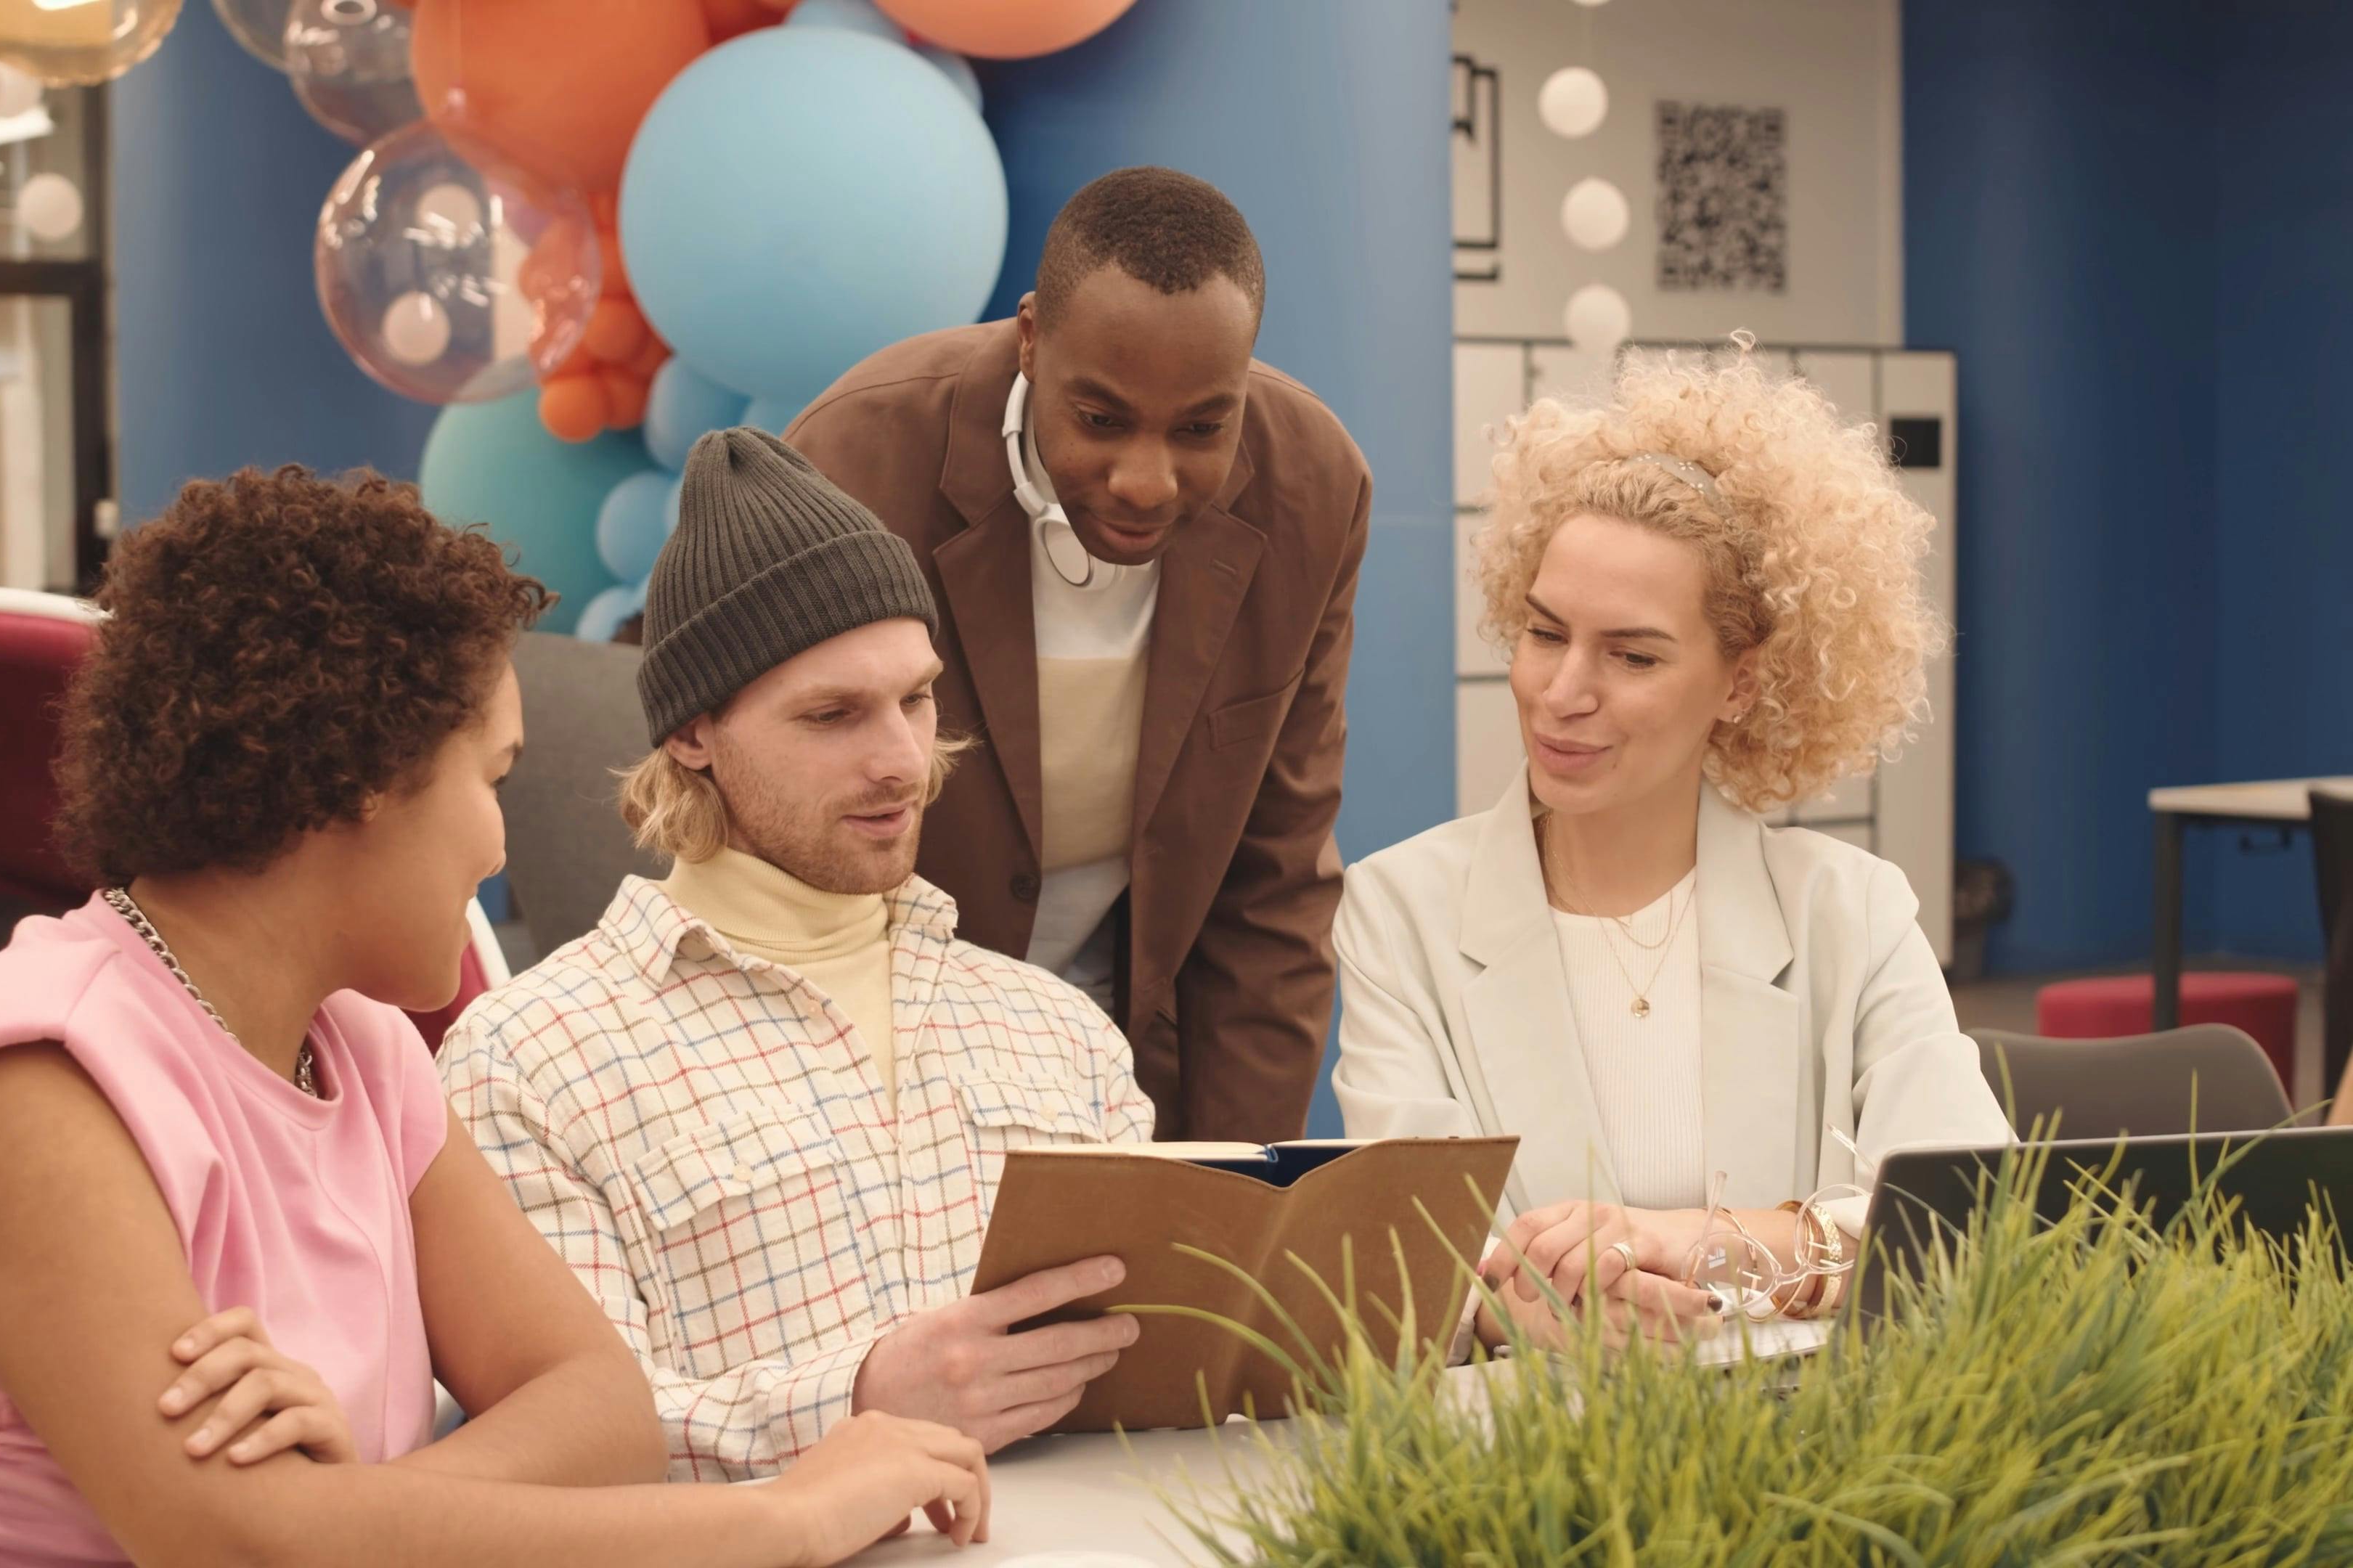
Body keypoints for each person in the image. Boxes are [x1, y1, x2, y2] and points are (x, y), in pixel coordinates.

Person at [0, 468, 995, 1566]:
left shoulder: (361, 1049)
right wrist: (782, 1516)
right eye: (492, 779)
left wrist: (354, 1512)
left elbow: (602, 1411)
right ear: (363, 774)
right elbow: (238, 1548)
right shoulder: (28, 1079)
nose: (502, 841)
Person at [441, 429, 1154, 1482]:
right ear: (692, 733)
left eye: (915, 698)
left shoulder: (1058, 1032)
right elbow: (560, 1452)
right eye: (833, 715)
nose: (903, 761)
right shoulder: (528, 1064)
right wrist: (855, 1405)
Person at [1329, 346, 2013, 1355]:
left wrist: (1699, 1247)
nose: (1563, 692)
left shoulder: (1853, 914)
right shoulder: (1400, 912)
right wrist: (1513, 1309)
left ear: (1742, 683)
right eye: (1544, 633)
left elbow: (1966, 1219)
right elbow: (1411, 1250)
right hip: (1526, 1461)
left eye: (1632, 655)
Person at [784, 166, 1369, 1143]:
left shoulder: (1313, 487)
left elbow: (1272, 885)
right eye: (1100, 421)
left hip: (1140, 1073)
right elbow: (782, 857)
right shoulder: (854, 463)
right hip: (871, 1073)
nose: (1146, 481)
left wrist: (1230, 1194)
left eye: (1200, 429)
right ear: (1029, 340)